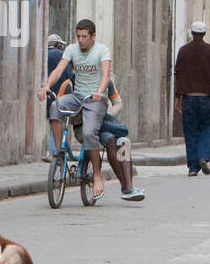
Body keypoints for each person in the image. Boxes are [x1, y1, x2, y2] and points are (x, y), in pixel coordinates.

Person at [40, 19, 111, 197]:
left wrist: (99, 91)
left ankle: (96, 174)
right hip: (77, 96)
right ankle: (59, 154)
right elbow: (58, 70)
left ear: (93, 36)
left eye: (84, 36)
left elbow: (105, 74)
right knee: (56, 106)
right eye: (78, 36)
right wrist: (47, 85)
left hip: (95, 99)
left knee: (88, 134)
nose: (81, 40)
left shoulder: (102, 50)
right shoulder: (71, 49)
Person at [173, 22, 210, 177]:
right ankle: (203, 157)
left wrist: (178, 96)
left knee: (190, 130)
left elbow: (178, 74)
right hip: (205, 97)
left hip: (188, 97)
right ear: (204, 34)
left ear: (192, 33)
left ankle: (193, 167)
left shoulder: (183, 51)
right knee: (206, 128)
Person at [98, 79, 144, 201]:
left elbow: (118, 103)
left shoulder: (107, 81)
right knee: (111, 141)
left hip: (104, 122)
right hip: (89, 125)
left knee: (124, 142)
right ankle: (125, 185)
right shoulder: (78, 79)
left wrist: (107, 116)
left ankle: (129, 188)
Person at [43, 33, 74, 158]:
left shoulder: (45, 55)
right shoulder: (60, 55)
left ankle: (54, 151)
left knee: (52, 121)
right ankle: (55, 151)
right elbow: (68, 74)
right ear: (57, 44)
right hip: (60, 93)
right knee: (58, 120)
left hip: (47, 91)